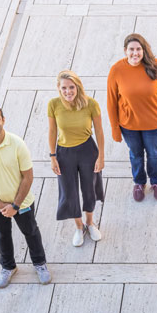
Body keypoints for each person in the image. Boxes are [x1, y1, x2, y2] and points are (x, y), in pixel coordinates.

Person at [0, 103, 50, 288]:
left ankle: (40, 264)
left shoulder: (17, 144)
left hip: (22, 202)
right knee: (2, 234)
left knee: (31, 232)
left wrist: (15, 206)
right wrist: (1, 205)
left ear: (3, 120)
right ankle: (8, 267)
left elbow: (28, 177)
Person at [106, 33, 157, 202]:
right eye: (131, 49)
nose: (135, 53)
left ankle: (156, 182)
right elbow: (111, 102)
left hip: (154, 123)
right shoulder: (116, 70)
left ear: (144, 50)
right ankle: (139, 182)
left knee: (154, 154)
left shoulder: (156, 66)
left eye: (138, 49)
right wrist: (115, 129)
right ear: (125, 50)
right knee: (135, 154)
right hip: (129, 125)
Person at [48, 70, 105, 246]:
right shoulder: (53, 104)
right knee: (69, 192)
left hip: (87, 150)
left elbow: (99, 131)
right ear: (59, 88)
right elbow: (52, 131)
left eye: (71, 87)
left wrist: (101, 156)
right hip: (64, 154)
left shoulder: (91, 104)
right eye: (64, 88)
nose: (68, 91)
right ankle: (79, 227)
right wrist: (53, 156)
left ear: (78, 87)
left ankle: (90, 223)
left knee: (89, 189)